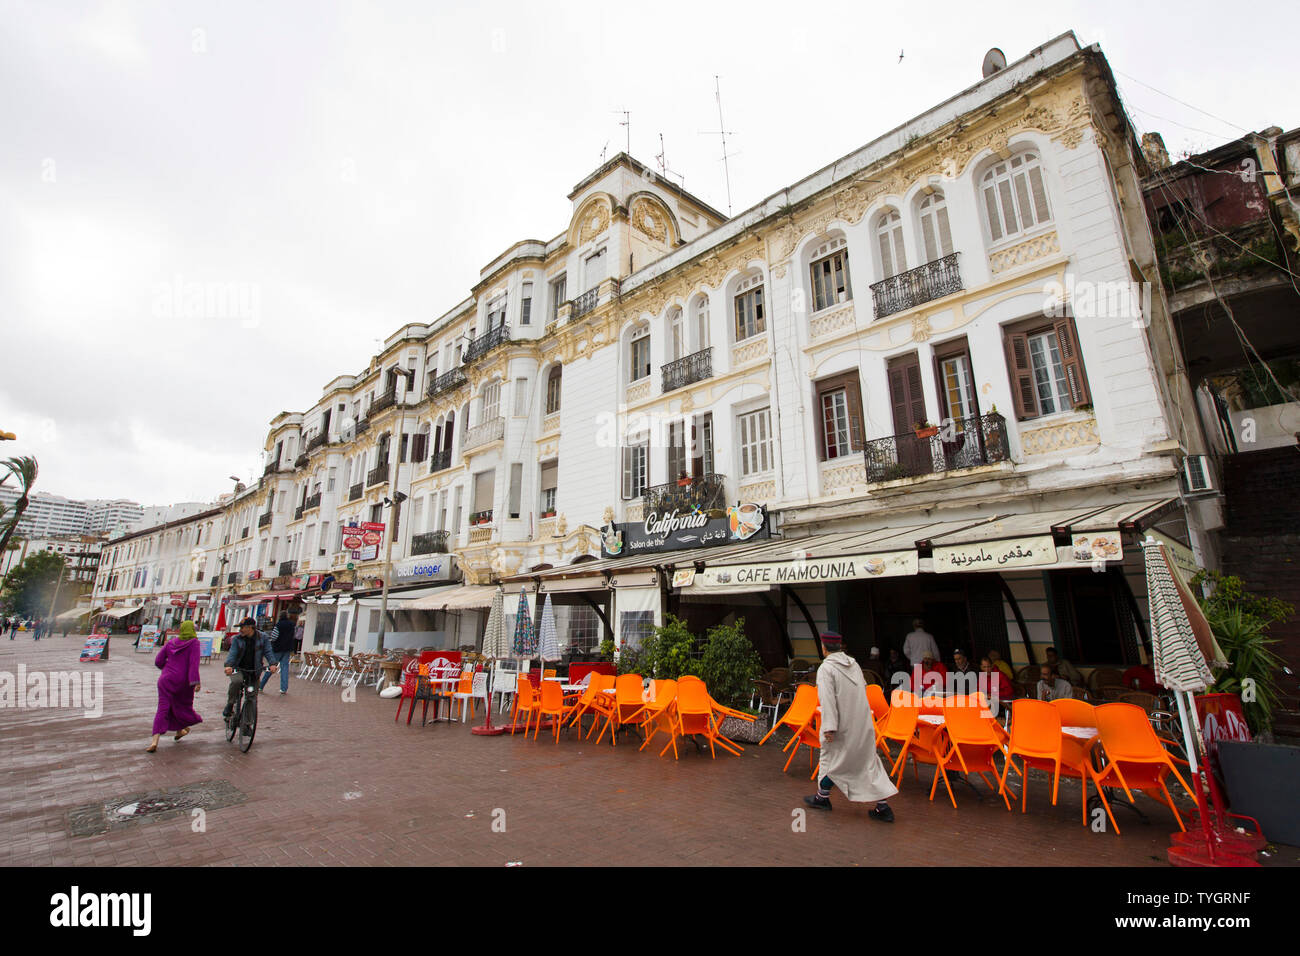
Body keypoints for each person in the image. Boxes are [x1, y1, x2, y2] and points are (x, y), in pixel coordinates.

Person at [804, 632, 898, 821]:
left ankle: (822, 797)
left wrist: (829, 727)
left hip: (841, 725)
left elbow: (827, 700)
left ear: (823, 648)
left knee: (834, 763)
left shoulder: (826, 669)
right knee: (868, 764)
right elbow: (862, 690)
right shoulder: (853, 665)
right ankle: (883, 807)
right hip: (862, 724)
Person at [147, 620, 203, 753]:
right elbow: (193, 664)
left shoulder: (171, 642)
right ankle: (183, 728)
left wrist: (167, 669)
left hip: (166, 679)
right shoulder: (194, 643)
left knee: (163, 708)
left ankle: (155, 741)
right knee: (181, 706)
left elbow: (158, 661)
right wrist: (196, 682)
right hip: (183, 682)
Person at [225, 617, 279, 721]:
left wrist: (272, 664)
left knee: (251, 696)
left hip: (254, 670)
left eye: (242, 627)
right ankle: (230, 704)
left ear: (250, 627)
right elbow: (232, 653)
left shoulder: (263, 638)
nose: (240, 630)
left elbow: (268, 651)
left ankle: (247, 724)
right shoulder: (237, 639)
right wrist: (229, 665)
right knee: (237, 682)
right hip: (238, 669)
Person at [262, 611, 295, 694]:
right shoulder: (292, 625)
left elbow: (274, 637)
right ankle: (283, 688)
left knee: (272, 666)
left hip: (278, 648)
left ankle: (261, 685)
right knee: (284, 668)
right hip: (287, 649)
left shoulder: (279, 625)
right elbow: (293, 636)